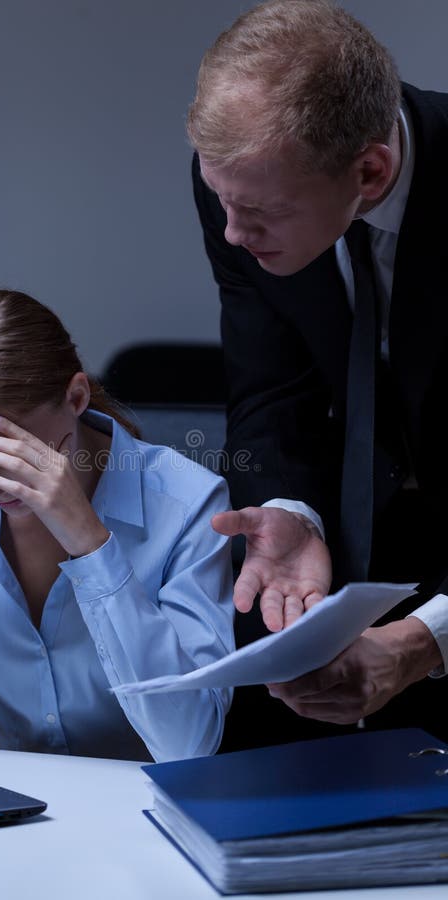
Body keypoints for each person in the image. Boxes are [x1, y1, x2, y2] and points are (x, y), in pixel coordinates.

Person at [187, 0, 448, 745]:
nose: (234, 234)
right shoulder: (240, 182)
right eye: (221, 201)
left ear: (371, 170)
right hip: (362, 554)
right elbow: (271, 384)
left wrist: (425, 639)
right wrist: (292, 509)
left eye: (259, 213)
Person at [0, 289, 235, 762]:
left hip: (150, 812)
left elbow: (188, 744)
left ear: (76, 396)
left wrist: (91, 546)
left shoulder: (189, 502)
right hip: (13, 813)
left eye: (14, 460)